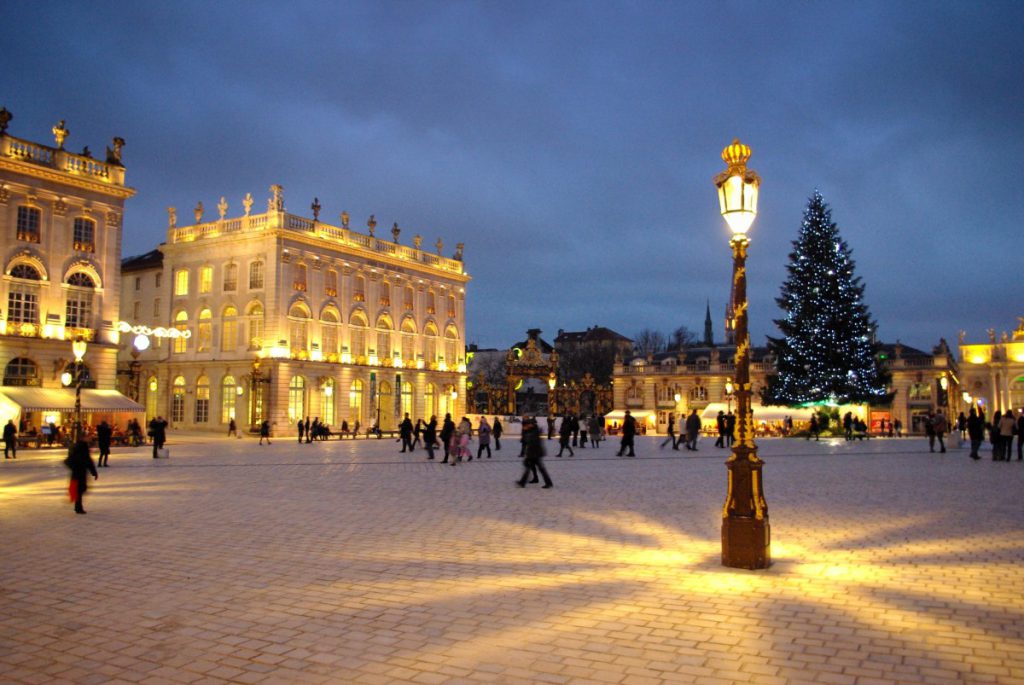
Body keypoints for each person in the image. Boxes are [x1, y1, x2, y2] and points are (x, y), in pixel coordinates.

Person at [516, 417, 552, 488]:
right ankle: (523, 482)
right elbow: (526, 440)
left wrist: (529, 456)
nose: (524, 427)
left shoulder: (534, 431)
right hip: (533, 453)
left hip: (535, 453)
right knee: (532, 468)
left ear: (530, 425)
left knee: (539, 469)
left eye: (526, 425)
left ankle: (523, 482)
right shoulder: (531, 430)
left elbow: (532, 442)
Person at [65, 438, 97, 514]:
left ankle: (78, 506)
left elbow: (67, 461)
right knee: (81, 489)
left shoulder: (75, 451)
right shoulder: (84, 452)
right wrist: (94, 472)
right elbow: (89, 463)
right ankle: (78, 507)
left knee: (79, 490)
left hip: (75, 474)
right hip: (81, 474)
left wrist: (73, 468)